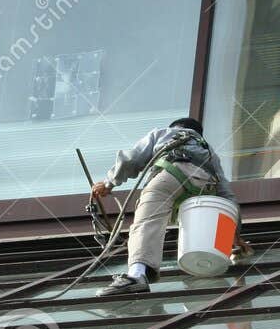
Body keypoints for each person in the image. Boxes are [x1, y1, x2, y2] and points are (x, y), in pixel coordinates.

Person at [91, 118, 244, 296]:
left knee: (148, 219)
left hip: (171, 175)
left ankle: (136, 275)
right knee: (202, 220)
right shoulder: (209, 151)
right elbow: (227, 198)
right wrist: (235, 237)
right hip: (204, 186)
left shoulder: (164, 133)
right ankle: (214, 257)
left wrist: (109, 182)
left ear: (175, 127)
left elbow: (132, 159)